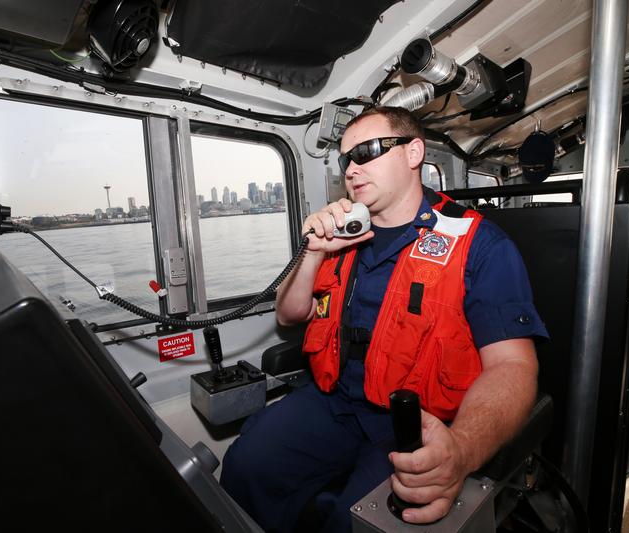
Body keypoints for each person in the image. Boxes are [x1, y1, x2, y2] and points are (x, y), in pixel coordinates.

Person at [220, 106, 548, 533]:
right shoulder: (343, 235)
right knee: (245, 467)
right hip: (334, 402)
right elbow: (290, 313)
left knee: (355, 523)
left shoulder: (480, 245)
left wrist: (462, 450)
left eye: (367, 151)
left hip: (413, 419)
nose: (352, 169)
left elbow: (513, 367)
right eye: (345, 160)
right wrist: (315, 250)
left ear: (413, 153)